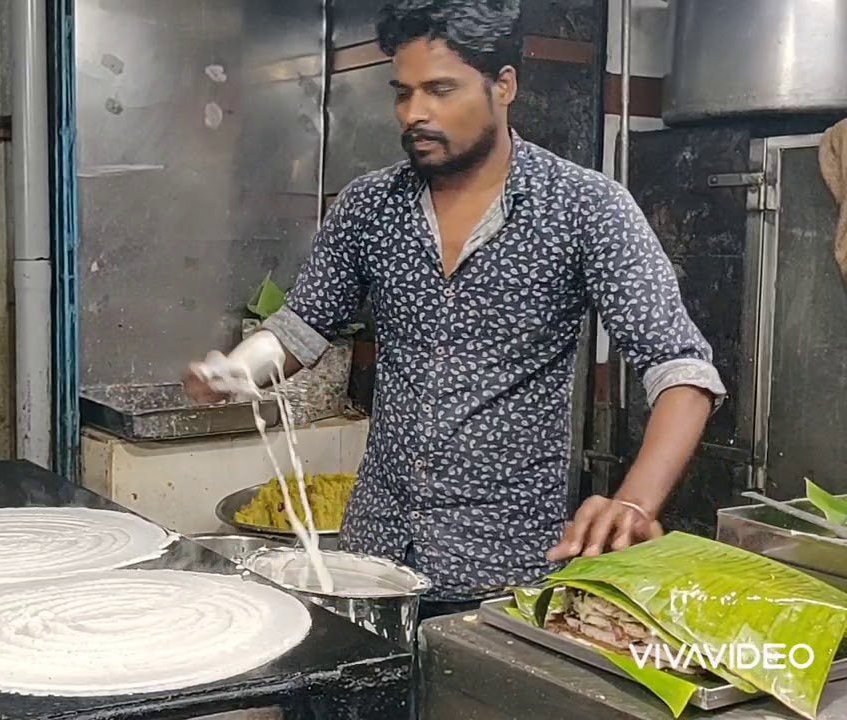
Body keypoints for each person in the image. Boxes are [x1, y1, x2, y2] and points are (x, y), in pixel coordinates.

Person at [183, 0, 725, 619]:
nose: (415, 113)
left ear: (504, 85)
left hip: (506, 573)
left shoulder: (584, 208)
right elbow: (301, 327)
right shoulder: (368, 208)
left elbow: (681, 370)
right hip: (372, 564)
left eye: (441, 90)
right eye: (403, 92)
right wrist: (243, 366)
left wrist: (634, 502)